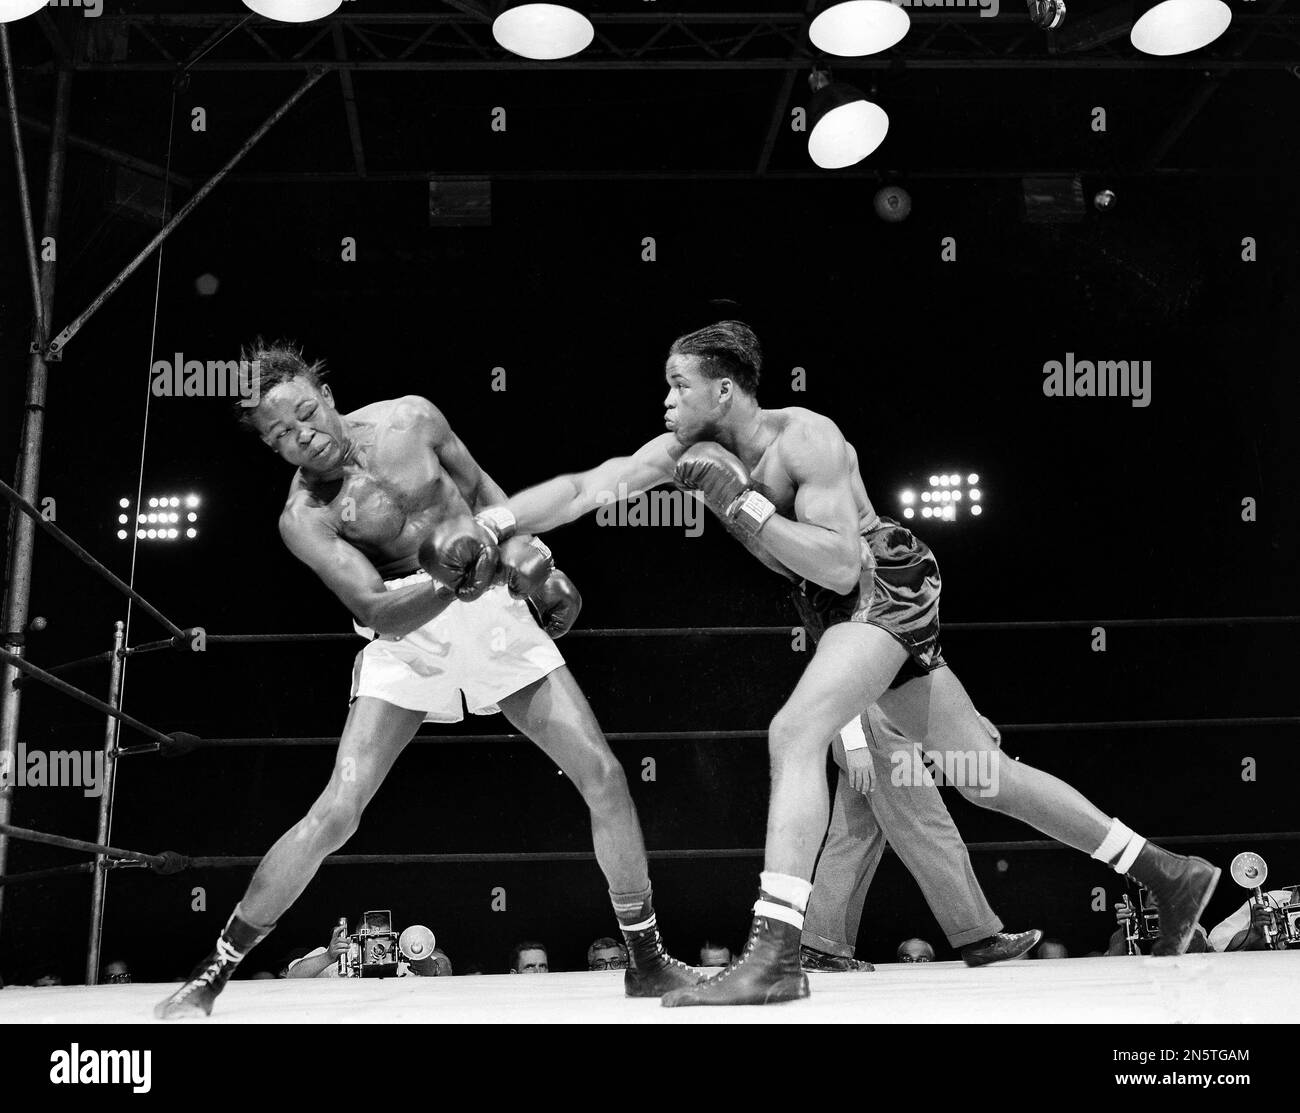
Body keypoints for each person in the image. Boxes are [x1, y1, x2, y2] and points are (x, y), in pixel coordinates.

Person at [496, 319, 1220, 1006]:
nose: (665, 399)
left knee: (793, 734)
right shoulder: (679, 451)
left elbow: (844, 566)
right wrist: (493, 522)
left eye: (678, 383)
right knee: (987, 777)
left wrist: (745, 507)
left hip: (883, 580)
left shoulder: (806, 437)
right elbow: (587, 486)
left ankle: (777, 953)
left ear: (724, 389)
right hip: (841, 607)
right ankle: (1167, 871)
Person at [154, 344, 702, 1019]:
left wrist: (537, 562)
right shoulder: (304, 517)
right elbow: (374, 608)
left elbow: (484, 493)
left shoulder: (413, 419)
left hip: (494, 609)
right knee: (336, 810)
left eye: (304, 413)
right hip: (410, 633)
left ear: (325, 392)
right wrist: (448, 577)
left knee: (605, 776)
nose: (304, 437)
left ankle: (646, 961)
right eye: (282, 436)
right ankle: (215, 970)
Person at [801, 706, 1039, 972]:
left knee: (852, 841)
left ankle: (820, 948)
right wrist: (856, 744)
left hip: (867, 727)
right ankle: (979, 938)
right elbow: (846, 670)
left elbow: (928, 669)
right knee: (931, 830)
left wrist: (971, 717)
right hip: (874, 725)